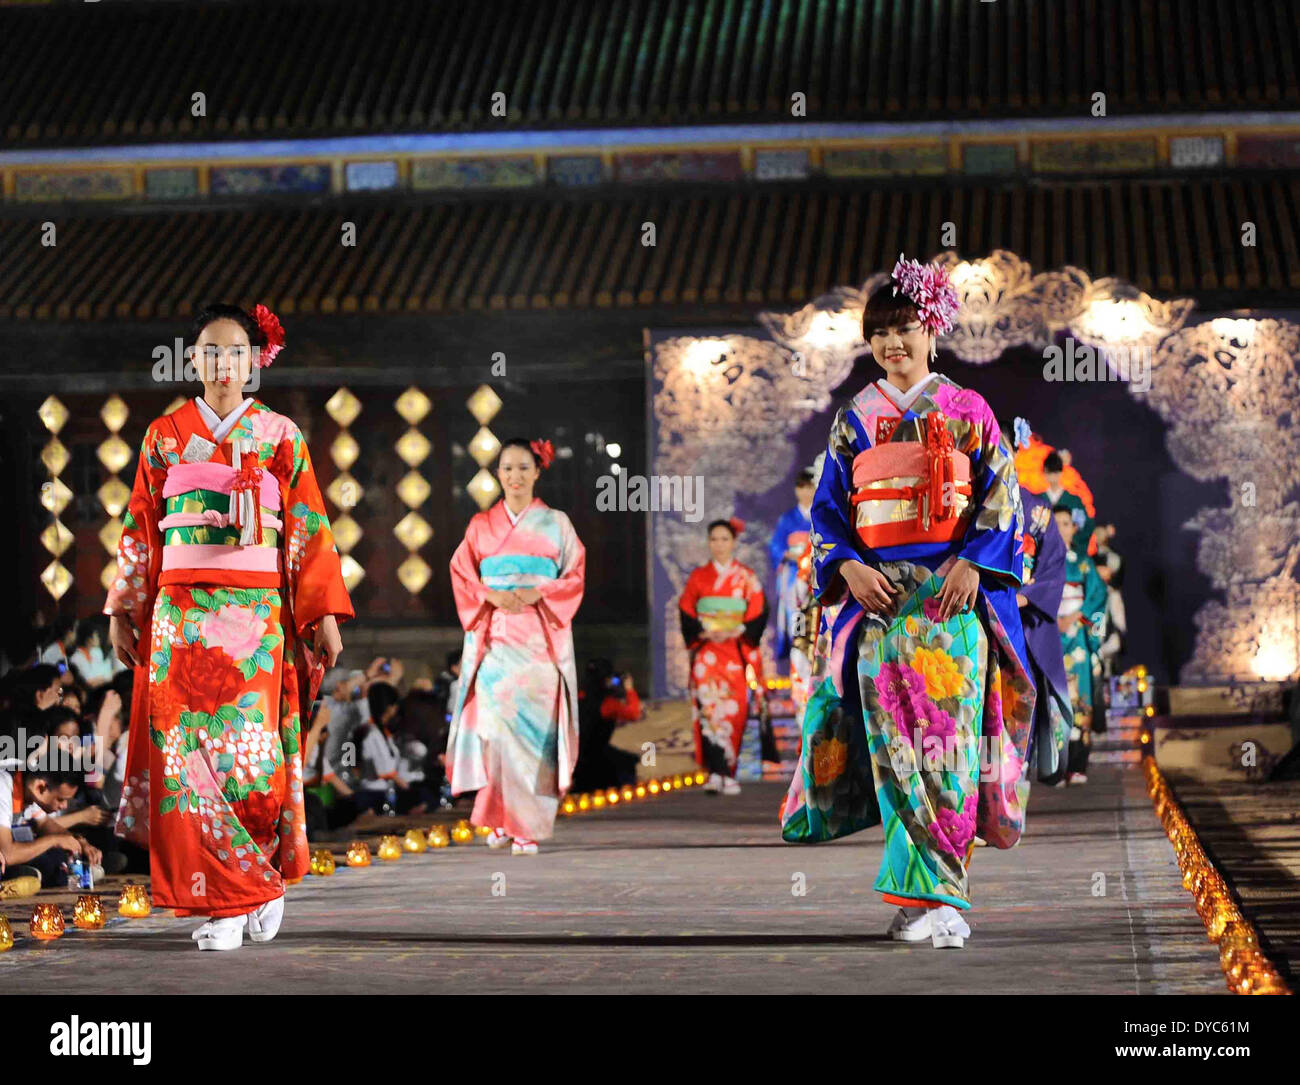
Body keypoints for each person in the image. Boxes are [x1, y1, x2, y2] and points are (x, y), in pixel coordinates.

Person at [779, 255, 1035, 950]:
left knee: (947, 752)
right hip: (884, 609)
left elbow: (1003, 500)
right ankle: (924, 896)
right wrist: (850, 567)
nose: (893, 344)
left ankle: (945, 897)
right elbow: (828, 514)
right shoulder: (854, 418)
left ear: (933, 329)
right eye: (881, 333)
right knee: (895, 755)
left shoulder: (969, 411)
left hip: (948, 608)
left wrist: (974, 563)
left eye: (905, 328)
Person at [105, 302, 353, 952]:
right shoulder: (163, 434)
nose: (223, 363)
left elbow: (307, 529)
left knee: (248, 757)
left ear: (255, 361)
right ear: (194, 359)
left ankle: (256, 883)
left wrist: (320, 610)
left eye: (236, 351)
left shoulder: (280, 436)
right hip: (180, 616)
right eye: (210, 351)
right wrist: (124, 607)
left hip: (253, 618)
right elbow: (138, 525)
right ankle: (228, 898)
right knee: (187, 759)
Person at [446, 437, 586, 855]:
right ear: (498, 473)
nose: (515, 475)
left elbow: (575, 574)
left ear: (538, 471)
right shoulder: (480, 525)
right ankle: (498, 817)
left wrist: (538, 592)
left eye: (524, 467)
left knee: (533, 738)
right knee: (494, 733)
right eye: (507, 467)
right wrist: (490, 596)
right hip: (495, 643)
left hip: (539, 644)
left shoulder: (557, 522)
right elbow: (461, 573)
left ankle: (527, 824)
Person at [679, 517, 768, 795]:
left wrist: (737, 628)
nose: (719, 545)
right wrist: (704, 630)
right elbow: (687, 610)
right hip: (707, 653)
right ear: (709, 543)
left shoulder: (746, 577)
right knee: (708, 710)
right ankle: (715, 773)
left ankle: (728, 771)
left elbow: (757, 611)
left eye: (724, 539)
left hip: (733, 651)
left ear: (734, 542)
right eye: (714, 539)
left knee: (735, 710)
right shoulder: (698, 577)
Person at [1016, 487, 1073, 791]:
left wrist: (1025, 597)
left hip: (1027, 620)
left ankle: (1010, 807)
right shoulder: (968, 496)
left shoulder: (1037, 510)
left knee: (1022, 709)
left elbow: (1053, 569)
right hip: (981, 612)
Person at [1053, 505, 1108, 785]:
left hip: (1077, 635)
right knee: (1054, 702)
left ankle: (1077, 765)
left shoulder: (1083, 563)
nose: (1061, 527)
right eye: (1056, 523)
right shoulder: (1043, 560)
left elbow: (1098, 594)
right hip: (1051, 635)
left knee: (1080, 699)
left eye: (1065, 523)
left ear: (1074, 527)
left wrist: (1075, 616)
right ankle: (1056, 768)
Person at [0, 761, 103, 888]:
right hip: (5, 855)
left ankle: (29, 872)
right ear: (40, 788)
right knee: (48, 857)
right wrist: (54, 840)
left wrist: (80, 842)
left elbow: (45, 824)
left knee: (55, 854)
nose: (64, 806)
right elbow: (7, 854)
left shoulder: (26, 783)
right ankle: (15, 874)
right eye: (60, 799)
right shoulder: (3, 787)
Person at [571, 659, 643, 792]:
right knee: (629, 764)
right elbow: (634, 713)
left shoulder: (579, 697)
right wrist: (630, 690)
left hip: (575, 758)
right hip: (595, 759)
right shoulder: (608, 705)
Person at [768, 471, 815, 674]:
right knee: (796, 621)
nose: (804, 491)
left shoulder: (820, 514)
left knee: (816, 621)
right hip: (794, 576)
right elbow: (775, 546)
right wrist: (792, 555)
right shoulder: (787, 519)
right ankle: (797, 666)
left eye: (809, 486)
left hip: (815, 576)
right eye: (801, 487)